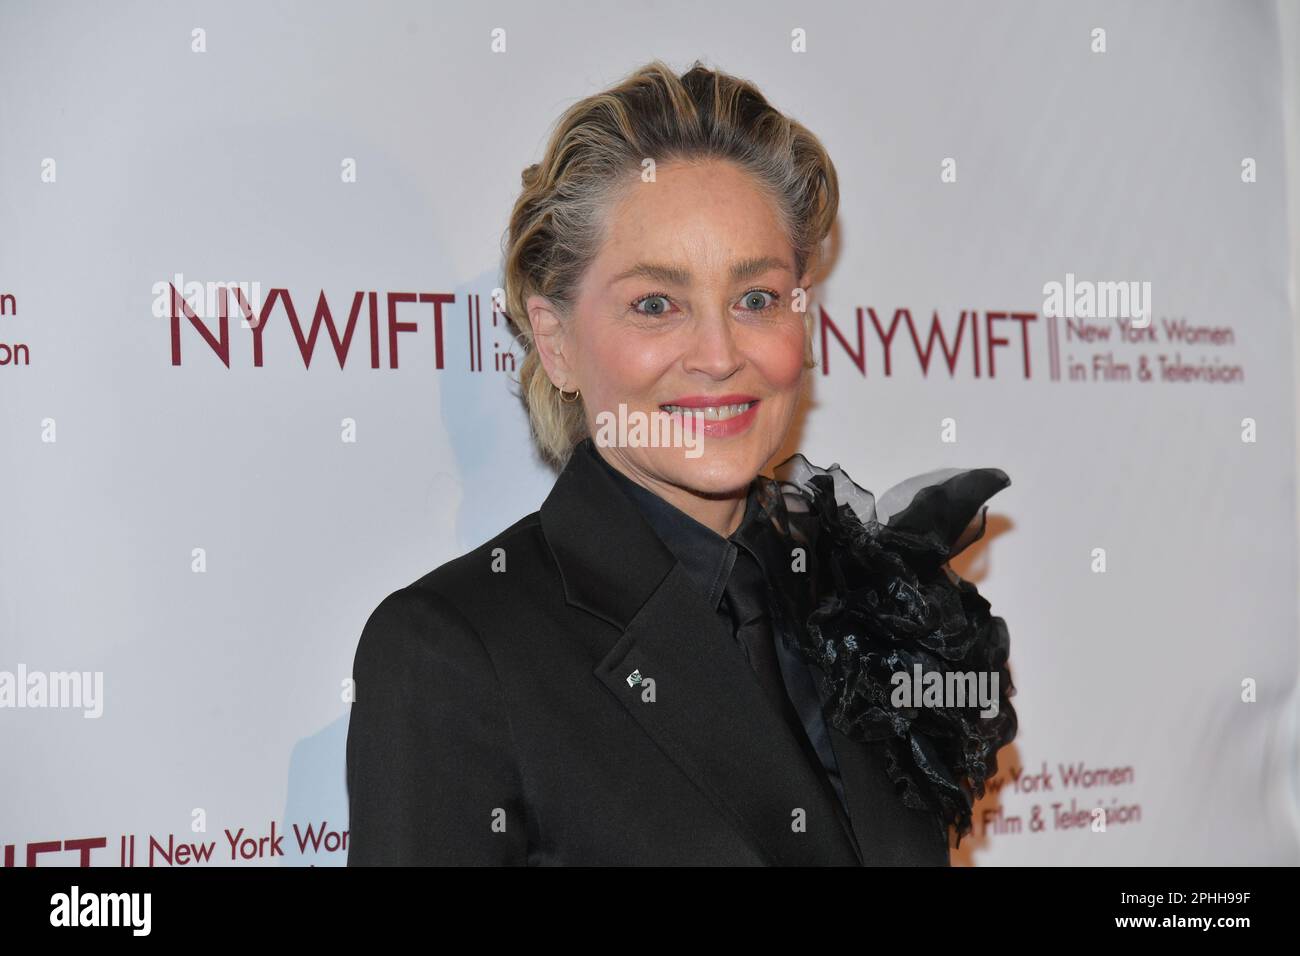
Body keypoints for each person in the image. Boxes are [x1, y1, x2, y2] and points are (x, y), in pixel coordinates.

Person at [345, 59, 1016, 866]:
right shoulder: (454, 653)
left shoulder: (868, 596)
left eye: (756, 299)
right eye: (656, 304)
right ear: (555, 341)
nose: (719, 355)